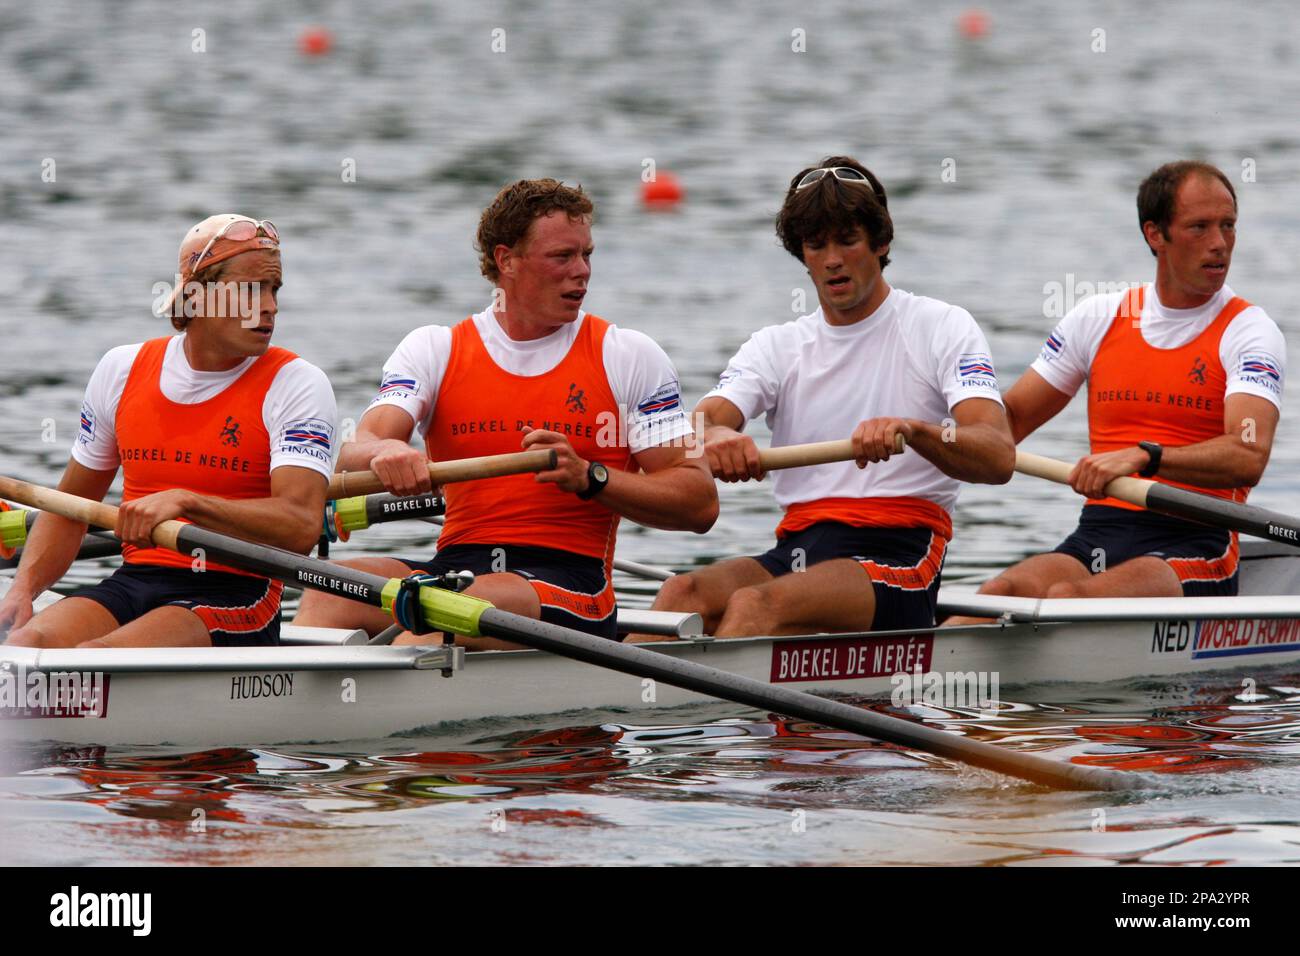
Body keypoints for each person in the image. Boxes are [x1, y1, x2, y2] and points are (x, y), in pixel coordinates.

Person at [293, 178, 717, 646]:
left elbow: (699, 501)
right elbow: (359, 446)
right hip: (454, 569)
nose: (582, 272)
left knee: (431, 624)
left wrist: (591, 477)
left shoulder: (628, 355)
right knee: (325, 592)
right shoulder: (435, 348)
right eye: (562, 256)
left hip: (571, 586)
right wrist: (388, 452)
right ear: (506, 260)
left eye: (587, 255)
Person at [648, 156, 1014, 637]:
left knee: (755, 605)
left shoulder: (941, 326)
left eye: (847, 241)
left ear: (881, 243)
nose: (832, 259)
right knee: (682, 595)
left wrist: (916, 431)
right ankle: (616, 705)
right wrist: (716, 435)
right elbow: (697, 426)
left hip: (900, 552)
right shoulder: (777, 345)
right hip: (799, 547)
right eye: (816, 245)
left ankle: (690, 708)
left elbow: (998, 454)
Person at [953, 160, 1284, 612]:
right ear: (1155, 234)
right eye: (1199, 227)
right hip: (1101, 531)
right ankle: (911, 683)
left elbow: (1248, 456)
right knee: (996, 597)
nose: (1219, 244)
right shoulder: (1099, 318)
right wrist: (934, 435)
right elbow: (1007, 423)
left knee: (1068, 600)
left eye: (1228, 226)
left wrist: (1147, 457)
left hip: (1197, 539)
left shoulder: (1247, 330)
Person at [0, 215, 337, 648]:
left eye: (274, 289)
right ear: (197, 296)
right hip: (137, 579)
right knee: (26, 645)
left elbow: (301, 525)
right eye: (252, 290)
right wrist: (23, 590)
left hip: (238, 593)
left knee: (94, 659)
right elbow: (72, 507)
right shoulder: (121, 370)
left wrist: (187, 502)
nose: (270, 306)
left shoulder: (296, 383)